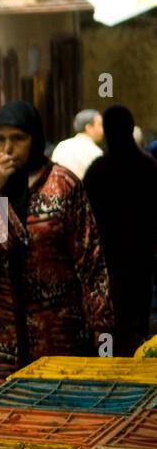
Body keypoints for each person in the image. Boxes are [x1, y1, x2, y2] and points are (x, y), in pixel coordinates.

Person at [0, 101, 113, 398]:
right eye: (0, 139)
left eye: (18, 139)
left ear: (34, 138)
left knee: (53, 423)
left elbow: (91, 261)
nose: (7, 148)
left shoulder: (62, 185)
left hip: (55, 333)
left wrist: (102, 328)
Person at [83, 106, 157, 356]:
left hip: (108, 262)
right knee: (138, 322)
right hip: (142, 259)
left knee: (111, 324)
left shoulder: (97, 171)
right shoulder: (149, 167)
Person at [51, 108, 104, 181]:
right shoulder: (95, 153)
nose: (102, 130)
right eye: (100, 125)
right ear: (88, 128)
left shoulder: (61, 146)